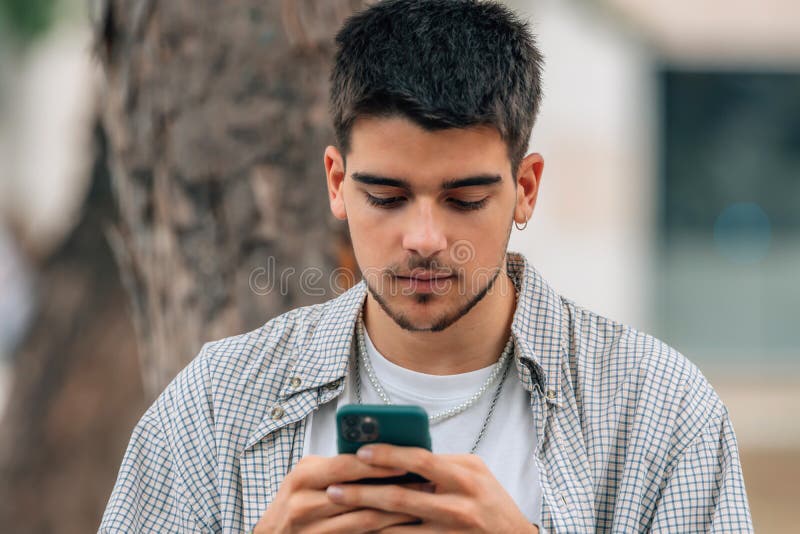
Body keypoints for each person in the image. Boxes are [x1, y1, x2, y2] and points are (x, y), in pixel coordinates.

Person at [100, 1, 754, 532]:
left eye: (464, 199)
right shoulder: (220, 402)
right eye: (385, 197)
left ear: (526, 188)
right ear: (336, 182)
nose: (424, 238)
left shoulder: (659, 408)